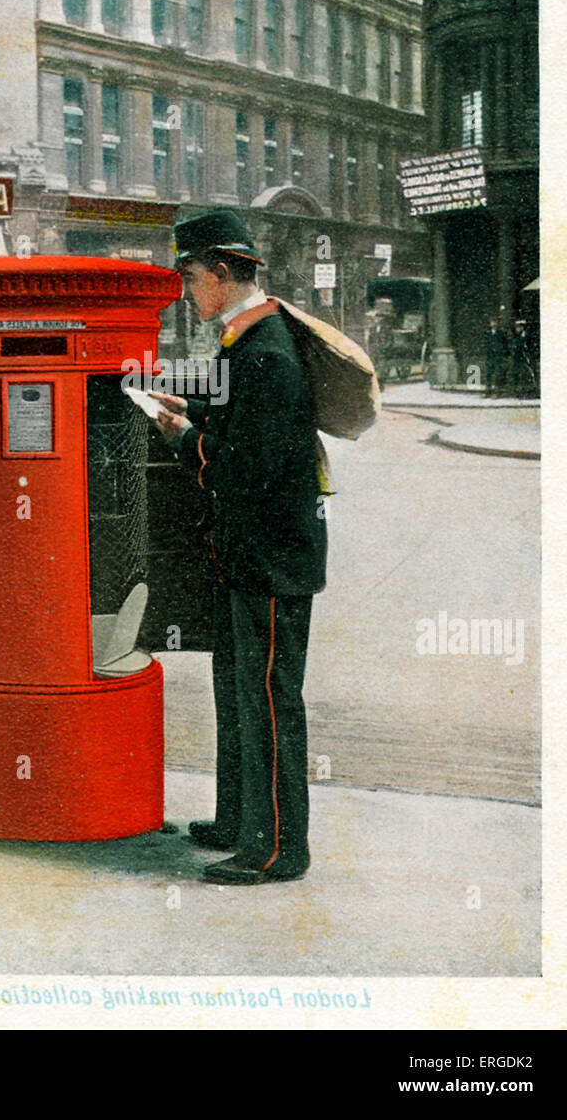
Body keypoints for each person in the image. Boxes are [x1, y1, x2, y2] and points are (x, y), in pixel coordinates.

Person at [152, 210, 327, 885]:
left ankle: (279, 848)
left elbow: (242, 470)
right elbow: (239, 422)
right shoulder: (246, 341)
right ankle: (236, 821)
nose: (188, 293)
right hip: (247, 557)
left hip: (272, 562)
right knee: (237, 694)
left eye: (192, 279)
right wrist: (193, 410)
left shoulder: (268, 352)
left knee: (270, 704)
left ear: (222, 274)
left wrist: (181, 437)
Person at [483, 316, 508, 397]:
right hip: (490, 357)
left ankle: (497, 392)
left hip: (498, 357)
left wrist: (502, 354)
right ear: (490, 324)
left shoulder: (501, 333)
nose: (493, 324)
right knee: (488, 374)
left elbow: (505, 345)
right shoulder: (487, 333)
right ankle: (488, 391)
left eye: (495, 322)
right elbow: (485, 344)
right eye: (492, 322)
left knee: (497, 375)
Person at [510, 319, 535, 397]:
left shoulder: (526, 337)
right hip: (517, 359)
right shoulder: (517, 336)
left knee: (525, 376)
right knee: (516, 375)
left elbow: (527, 348)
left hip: (524, 359)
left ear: (522, 328)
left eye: (519, 327)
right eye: (516, 327)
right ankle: (518, 392)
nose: (517, 329)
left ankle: (527, 392)